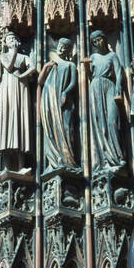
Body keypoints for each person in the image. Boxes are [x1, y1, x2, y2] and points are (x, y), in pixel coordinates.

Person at [85, 31, 125, 169]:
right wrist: (85, 67)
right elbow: (90, 76)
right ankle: (105, 159)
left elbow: (119, 72)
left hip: (110, 86)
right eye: (94, 41)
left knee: (112, 121)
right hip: (95, 87)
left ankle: (118, 156)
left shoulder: (112, 55)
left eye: (99, 39)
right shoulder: (93, 56)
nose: (97, 43)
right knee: (99, 122)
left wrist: (119, 87)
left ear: (104, 39)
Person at [0, 32, 35, 172]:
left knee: (21, 123)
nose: (11, 41)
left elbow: (33, 67)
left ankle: (21, 166)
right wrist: (13, 52)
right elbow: (9, 67)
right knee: (7, 123)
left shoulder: (24, 57)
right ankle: (6, 166)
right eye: (8, 40)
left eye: (13, 38)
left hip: (21, 88)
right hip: (8, 89)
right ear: (6, 44)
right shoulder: (3, 56)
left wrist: (22, 76)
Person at [39, 38, 78, 170]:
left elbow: (73, 83)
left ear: (68, 50)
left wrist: (65, 92)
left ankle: (68, 160)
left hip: (63, 100)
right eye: (60, 46)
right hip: (48, 98)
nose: (62, 49)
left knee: (67, 128)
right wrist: (45, 67)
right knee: (49, 128)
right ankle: (54, 160)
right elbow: (40, 81)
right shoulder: (51, 63)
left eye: (65, 47)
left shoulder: (70, 65)